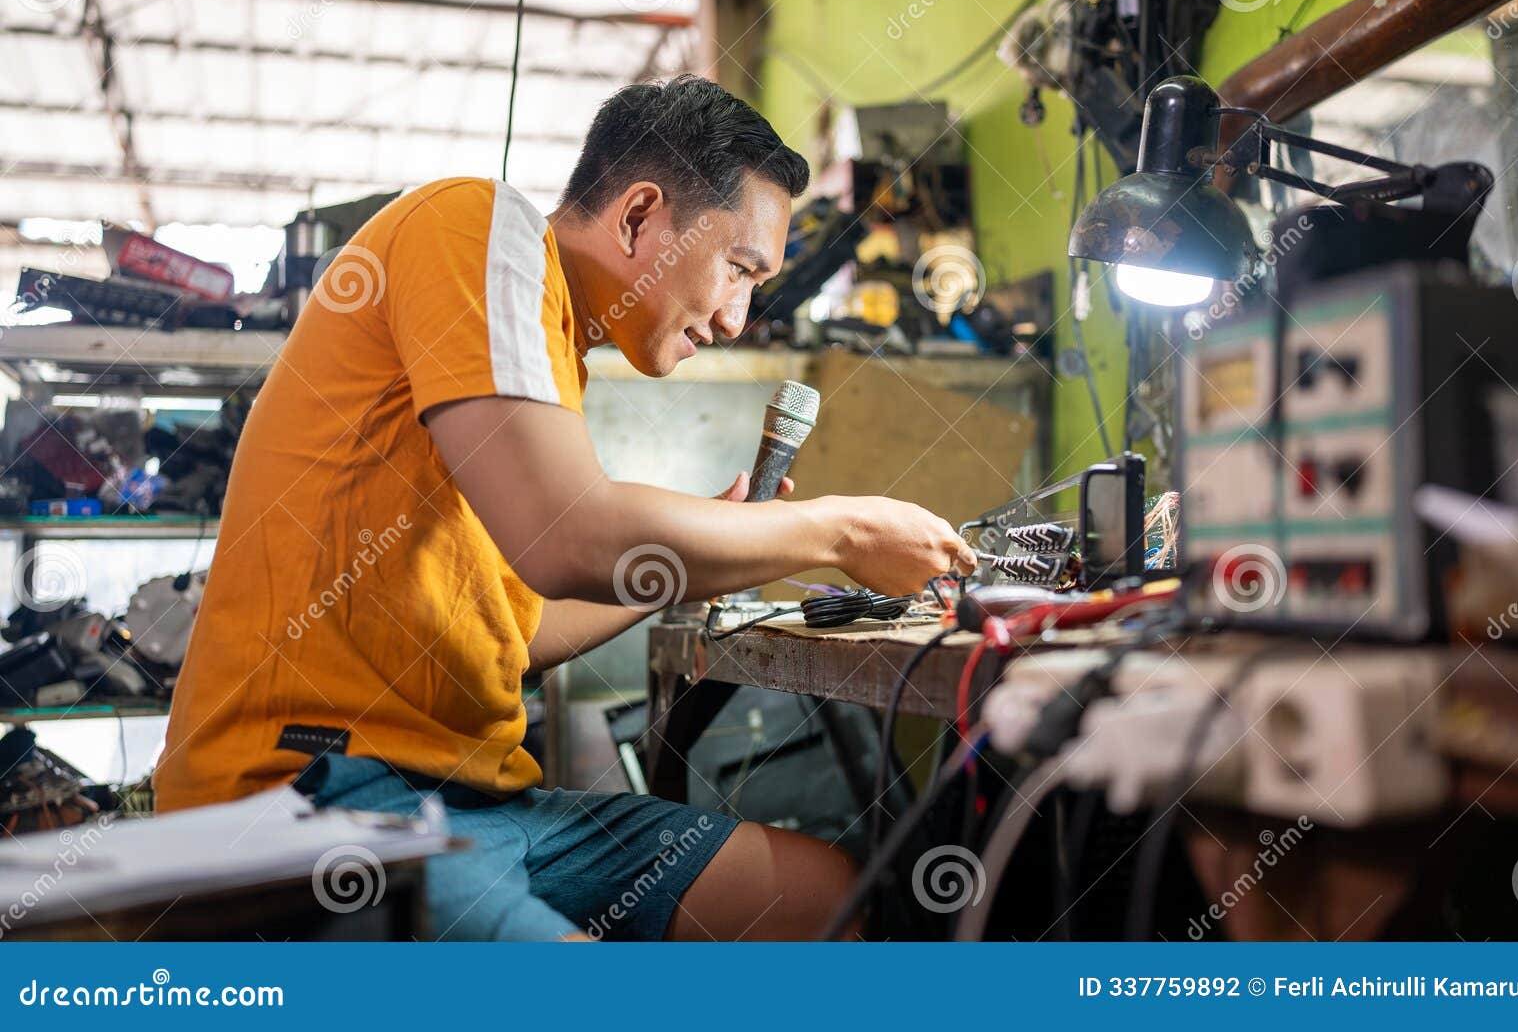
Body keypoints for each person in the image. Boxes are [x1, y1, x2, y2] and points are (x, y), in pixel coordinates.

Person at [154, 75, 976, 941]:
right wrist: (836, 531)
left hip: (479, 799)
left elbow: (523, 627)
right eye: (739, 268)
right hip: (309, 785)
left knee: (822, 899)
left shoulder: (550, 355)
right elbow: (566, 536)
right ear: (638, 217)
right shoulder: (473, 223)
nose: (737, 318)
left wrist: (699, 553)